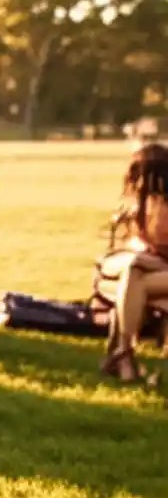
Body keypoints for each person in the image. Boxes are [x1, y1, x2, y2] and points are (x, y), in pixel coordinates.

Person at [101, 142, 168, 385]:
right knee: (133, 273)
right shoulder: (146, 204)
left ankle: (123, 355)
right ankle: (125, 354)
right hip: (155, 270)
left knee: (134, 276)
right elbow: (140, 245)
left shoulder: (159, 206)